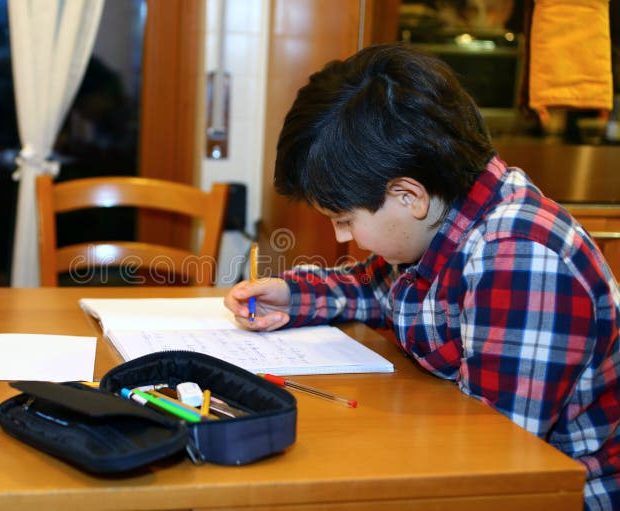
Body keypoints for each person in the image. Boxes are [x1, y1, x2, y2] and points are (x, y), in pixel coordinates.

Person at [224, 43, 619, 510]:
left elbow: (495, 459)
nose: (342, 237)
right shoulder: (443, 221)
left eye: (346, 220)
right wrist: (291, 296)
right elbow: (378, 290)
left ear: (409, 195)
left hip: (568, 495)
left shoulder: (520, 258)